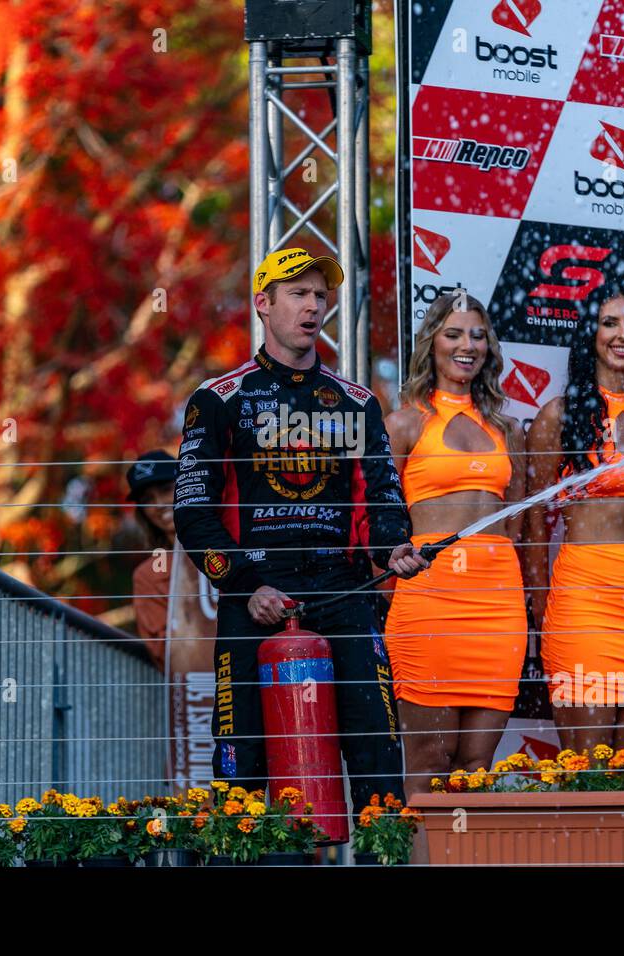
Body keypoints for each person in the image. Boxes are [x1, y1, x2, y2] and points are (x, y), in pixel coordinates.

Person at [173, 246, 429, 813]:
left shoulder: (358, 402)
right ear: (263, 304)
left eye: (320, 295)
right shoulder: (218, 400)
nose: (313, 306)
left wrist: (393, 549)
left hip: (344, 589)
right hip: (255, 590)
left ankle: (379, 855)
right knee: (242, 760)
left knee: (376, 751)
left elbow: (382, 498)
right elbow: (193, 512)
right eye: (298, 294)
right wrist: (245, 585)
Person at [525, 285, 624, 754]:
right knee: (590, 772)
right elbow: (536, 527)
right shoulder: (560, 415)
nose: (623, 334)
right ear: (589, 335)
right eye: (610, 323)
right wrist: (542, 616)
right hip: (585, 603)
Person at [383, 291, 528, 799]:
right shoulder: (403, 424)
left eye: (478, 334)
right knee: (429, 762)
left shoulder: (509, 429)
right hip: (429, 602)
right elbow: (378, 523)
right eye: (454, 333)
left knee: (475, 767)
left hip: (499, 605)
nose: (467, 344)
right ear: (432, 343)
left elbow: (520, 525)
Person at [127, 450, 179, 670]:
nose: (159, 504)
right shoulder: (148, 576)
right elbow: (167, 653)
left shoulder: (233, 544)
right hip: (200, 689)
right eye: (148, 499)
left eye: (166, 489)